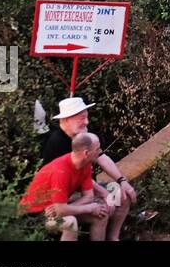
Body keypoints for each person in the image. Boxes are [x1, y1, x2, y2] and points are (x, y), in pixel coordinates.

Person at [39, 97, 139, 240]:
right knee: (101, 208)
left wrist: (122, 180)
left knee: (121, 194)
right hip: (66, 199)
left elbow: (101, 156)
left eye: (86, 117)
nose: (86, 122)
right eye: (82, 118)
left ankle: (113, 238)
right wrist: (104, 194)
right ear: (67, 120)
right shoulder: (57, 143)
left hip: (86, 192)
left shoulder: (82, 132)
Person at [20, 132, 110, 240]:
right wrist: (88, 208)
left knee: (101, 213)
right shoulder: (61, 170)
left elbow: (89, 197)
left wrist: (64, 208)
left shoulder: (85, 165)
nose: (100, 152)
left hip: (57, 211)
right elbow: (62, 210)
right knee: (70, 222)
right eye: (97, 149)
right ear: (86, 153)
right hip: (37, 218)